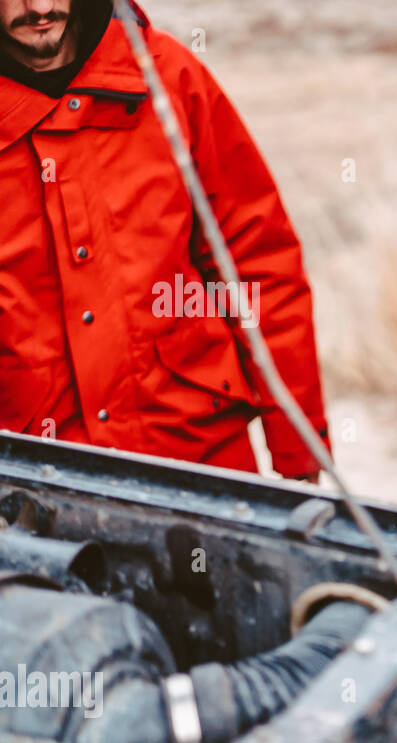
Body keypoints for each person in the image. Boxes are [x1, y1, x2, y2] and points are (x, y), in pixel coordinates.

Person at [0, 0, 328, 478]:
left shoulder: (168, 78)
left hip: (199, 462)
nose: (39, 6)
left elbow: (258, 266)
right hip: (35, 481)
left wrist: (300, 455)